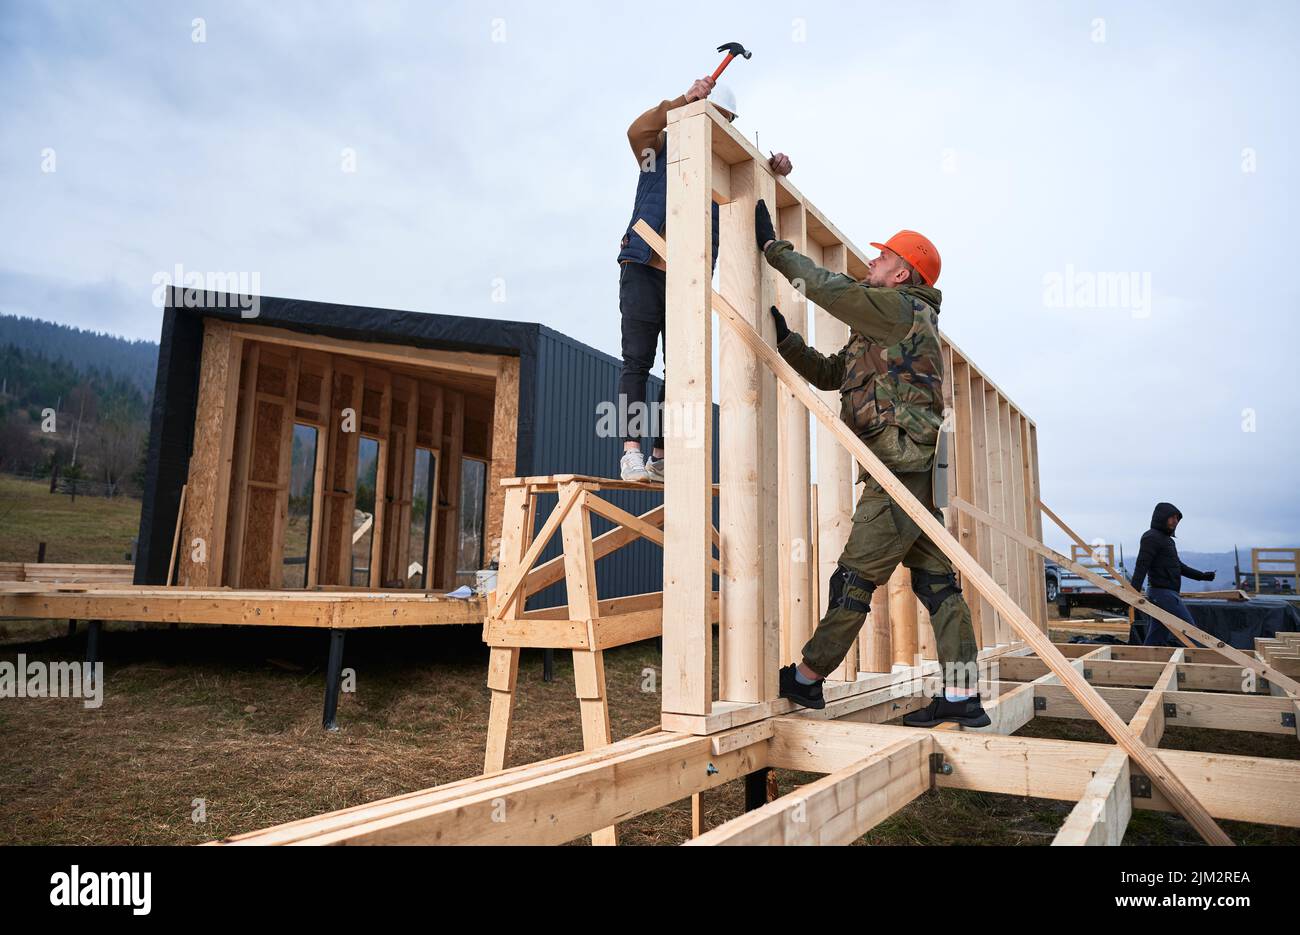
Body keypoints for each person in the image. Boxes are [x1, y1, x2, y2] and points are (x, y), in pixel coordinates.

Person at [752, 200, 988, 727]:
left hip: (898, 470)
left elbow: (829, 289)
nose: (870, 264)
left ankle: (809, 679)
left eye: (881, 259)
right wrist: (789, 342)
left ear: (902, 272)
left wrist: (775, 250)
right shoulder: (889, 323)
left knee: (854, 579)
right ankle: (961, 695)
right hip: (914, 468)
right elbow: (836, 373)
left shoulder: (899, 308)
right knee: (937, 584)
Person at [615, 78, 793, 482]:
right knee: (637, 362)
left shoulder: (722, 175)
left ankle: (658, 457)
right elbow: (636, 131)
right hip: (643, 266)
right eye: (711, 114)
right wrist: (682, 101)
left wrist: (776, 169)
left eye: (725, 120)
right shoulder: (660, 151)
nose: (716, 125)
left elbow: (756, 197)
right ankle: (630, 452)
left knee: (679, 370)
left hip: (687, 281)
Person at [1130, 501, 1215, 646]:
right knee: (1191, 631)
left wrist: (1202, 576)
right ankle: (1201, 659)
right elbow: (1142, 565)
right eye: (1172, 517)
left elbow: (1179, 567)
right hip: (1162, 594)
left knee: (1157, 635)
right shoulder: (1151, 537)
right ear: (1161, 517)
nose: (1175, 521)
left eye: (1177, 518)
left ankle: (1148, 660)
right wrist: (1132, 591)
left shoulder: (1167, 541)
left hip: (1167, 593)